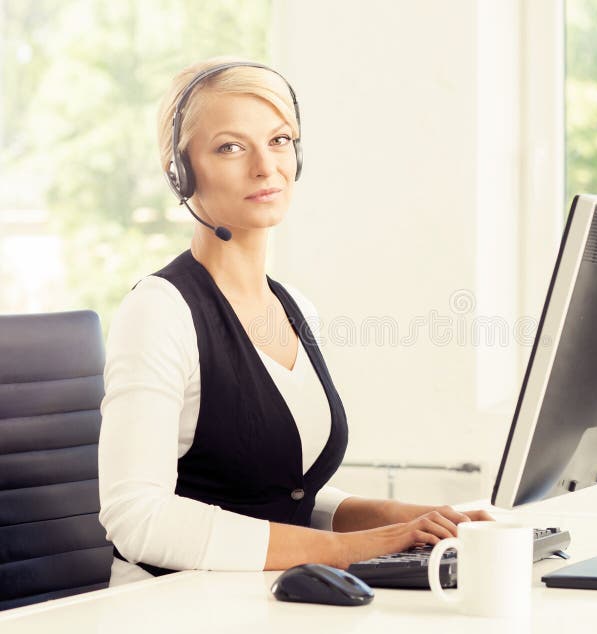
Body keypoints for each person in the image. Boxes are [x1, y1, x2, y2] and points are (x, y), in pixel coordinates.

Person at [98, 56, 492, 586]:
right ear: (180, 172)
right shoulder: (160, 311)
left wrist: (403, 520)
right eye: (231, 147)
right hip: (172, 603)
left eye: (280, 140)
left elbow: (279, 495)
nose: (266, 166)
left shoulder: (295, 308)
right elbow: (137, 518)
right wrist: (347, 549)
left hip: (268, 594)